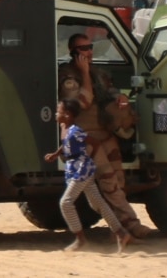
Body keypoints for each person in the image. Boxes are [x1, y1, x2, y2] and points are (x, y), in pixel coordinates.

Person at [58, 33, 153, 239]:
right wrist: (83, 73)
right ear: (73, 53)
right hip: (85, 139)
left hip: (105, 134)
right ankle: (130, 225)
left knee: (118, 181)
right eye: (83, 49)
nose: (89, 52)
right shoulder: (68, 75)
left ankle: (121, 227)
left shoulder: (98, 73)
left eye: (90, 47)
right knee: (108, 182)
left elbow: (111, 91)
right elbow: (82, 102)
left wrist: (120, 98)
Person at [45, 98, 133, 254]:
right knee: (98, 203)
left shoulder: (76, 131)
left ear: (67, 114)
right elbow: (66, 143)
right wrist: (56, 154)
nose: (56, 113)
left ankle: (80, 240)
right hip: (74, 169)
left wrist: (87, 159)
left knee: (66, 202)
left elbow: (95, 143)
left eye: (59, 111)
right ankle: (121, 233)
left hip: (81, 170)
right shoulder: (64, 127)